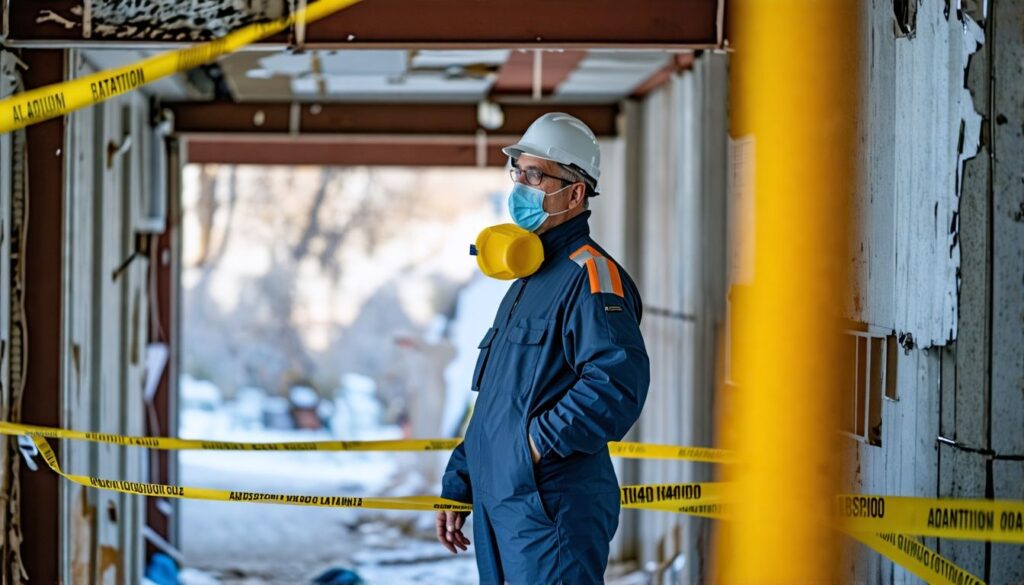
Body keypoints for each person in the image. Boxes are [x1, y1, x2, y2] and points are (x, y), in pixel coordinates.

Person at [436, 113, 651, 584]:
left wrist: (533, 447)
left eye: (535, 175)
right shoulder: (529, 278)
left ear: (574, 194)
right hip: (503, 504)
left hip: (550, 510)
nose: (521, 186)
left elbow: (615, 384)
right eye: (518, 172)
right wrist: (461, 480)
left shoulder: (590, 277)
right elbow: (500, 399)